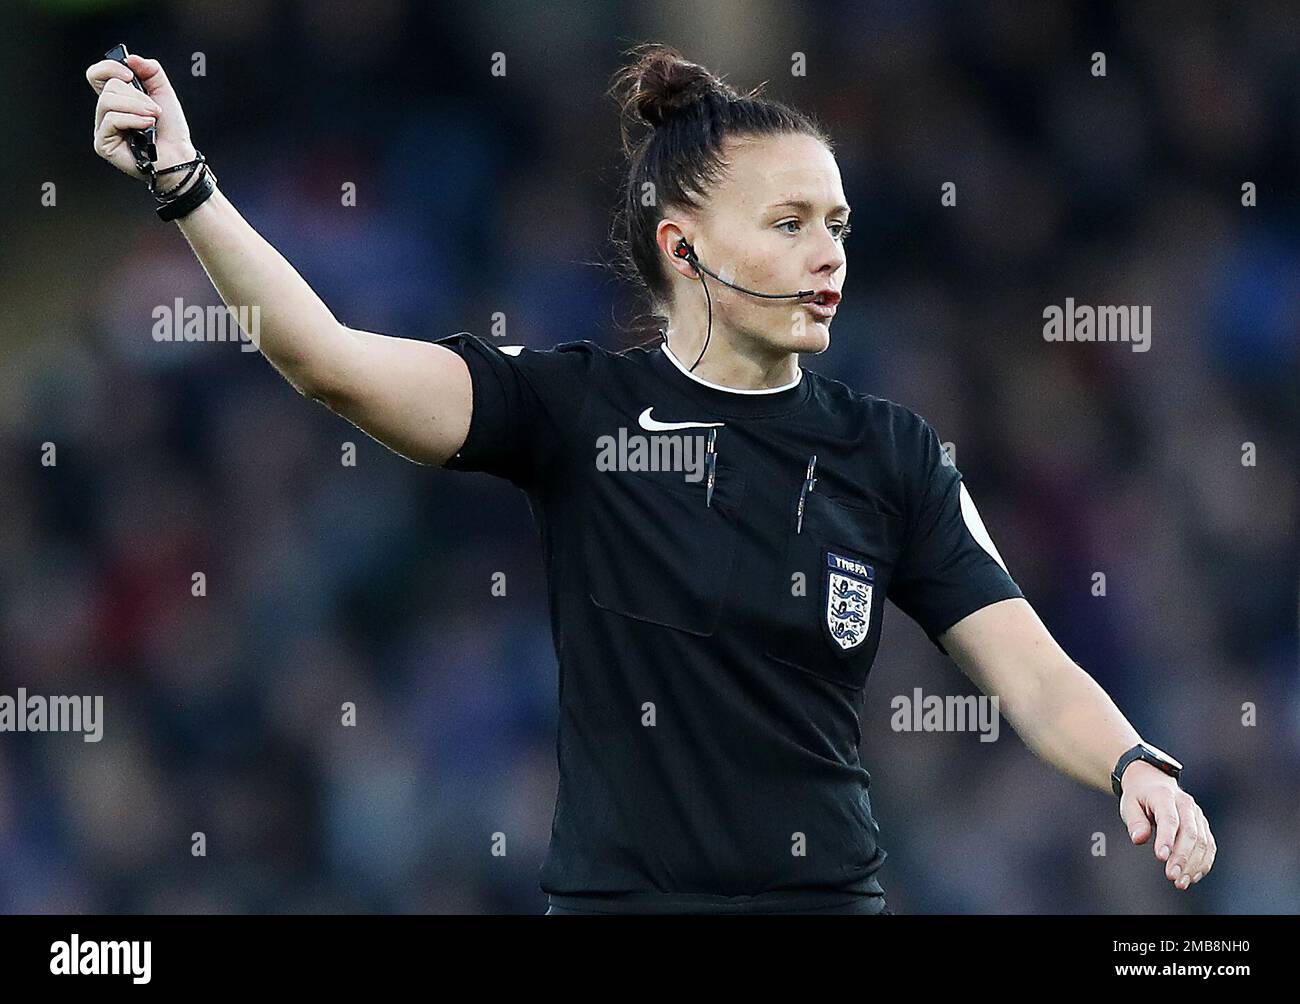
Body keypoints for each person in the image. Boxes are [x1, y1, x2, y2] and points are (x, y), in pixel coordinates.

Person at [86, 42, 1217, 915]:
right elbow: (326, 360)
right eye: (789, 223)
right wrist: (187, 185)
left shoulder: (893, 453)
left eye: (836, 222)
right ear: (683, 247)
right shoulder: (571, 411)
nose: (829, 252)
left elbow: (1032, 673)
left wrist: (1133, 763)